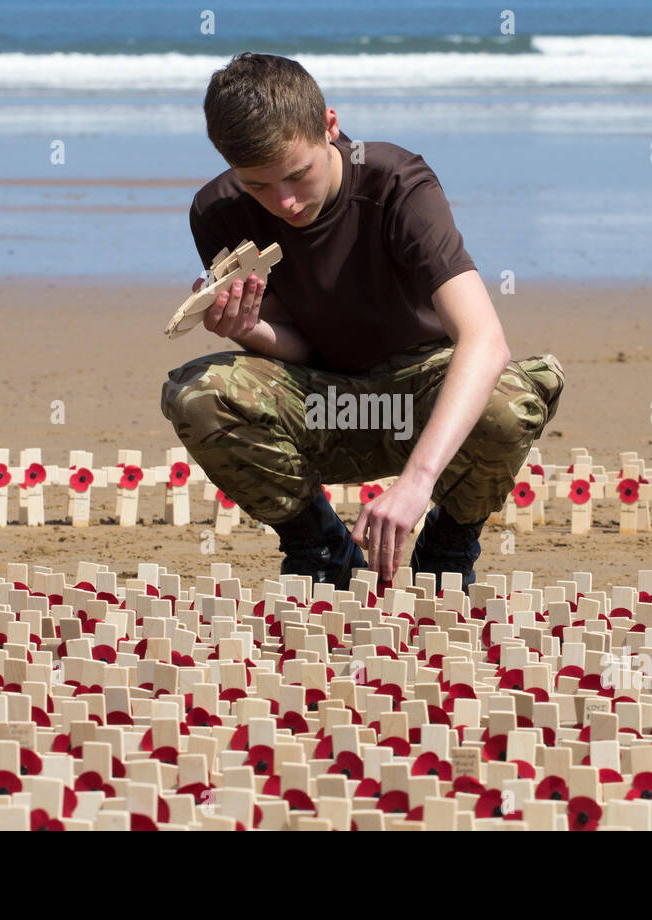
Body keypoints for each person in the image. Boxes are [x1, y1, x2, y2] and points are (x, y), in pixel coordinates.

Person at [161, 52, 564, 592]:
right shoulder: (217, 210)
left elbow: (485, 340)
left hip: (421, 399)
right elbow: (302, 351)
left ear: (330, 124)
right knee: (199, 394)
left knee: (508, 400)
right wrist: (247, 329)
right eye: (259, 186)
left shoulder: (397, 183)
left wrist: (418, 484)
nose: (284, 202)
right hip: (326, 404)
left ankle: (449, 545)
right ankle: (321, 549)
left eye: (298, 174)